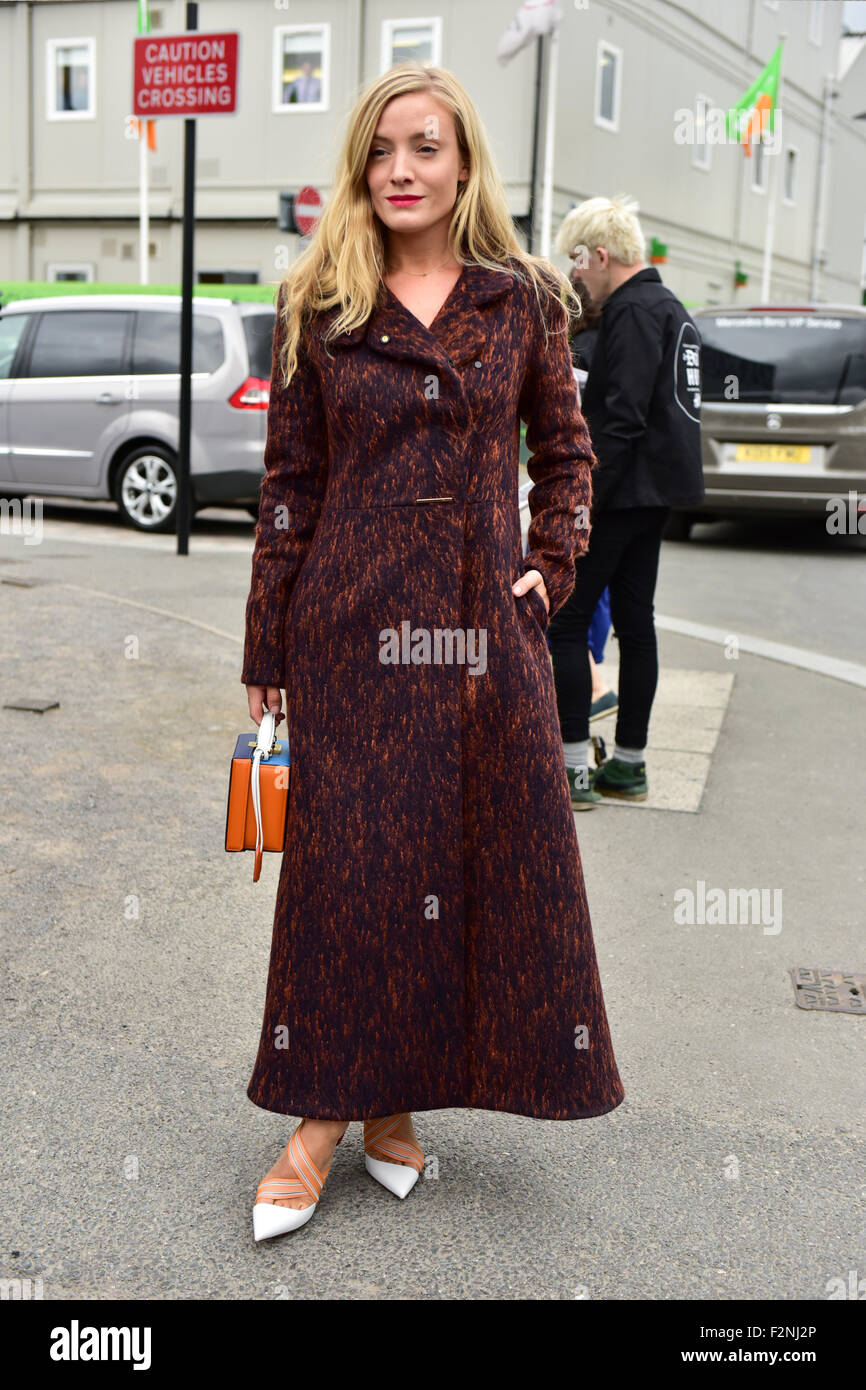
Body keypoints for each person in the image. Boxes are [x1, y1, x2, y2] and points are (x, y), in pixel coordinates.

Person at [241, 62, 625, 1242]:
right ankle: (321, 1116)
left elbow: (567, 456)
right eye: (381, 150)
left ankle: (394, 1105)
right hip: (350, 630)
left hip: (473, 639)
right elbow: (288, 488)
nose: (400, 169)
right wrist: (268, 643)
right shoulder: (319, 300)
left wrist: (547, 569)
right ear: (360, 166)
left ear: (462, 165)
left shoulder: (522, 301)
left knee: (455, 870)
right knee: (346, 876)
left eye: (424, 147)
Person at [549, 195, 704, 807]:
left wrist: (580, 496)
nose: (574, 275)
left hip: (618, 494)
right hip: (658, 493)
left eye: (576, 262)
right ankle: (629, 765)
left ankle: (573, 769)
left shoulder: (633, 311)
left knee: (566, 621)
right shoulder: (673, 308)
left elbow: (623, 418)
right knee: (637, 625)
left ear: (601, 254)